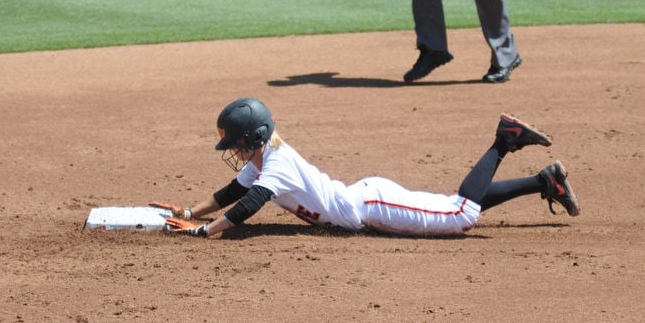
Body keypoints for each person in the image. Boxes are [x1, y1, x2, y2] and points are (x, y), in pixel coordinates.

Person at [151, 98, 579, 239]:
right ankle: (544, 181)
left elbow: (249, 206)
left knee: (461, 215)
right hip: (366, 198)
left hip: (371, 204)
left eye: (236, 143)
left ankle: (503, 140)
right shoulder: (266, 159)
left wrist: (207, 233)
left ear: (253, 139)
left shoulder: (276, 166)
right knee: (452, 206)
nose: (234, 150)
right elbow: (231, 193)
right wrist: (191, 213)